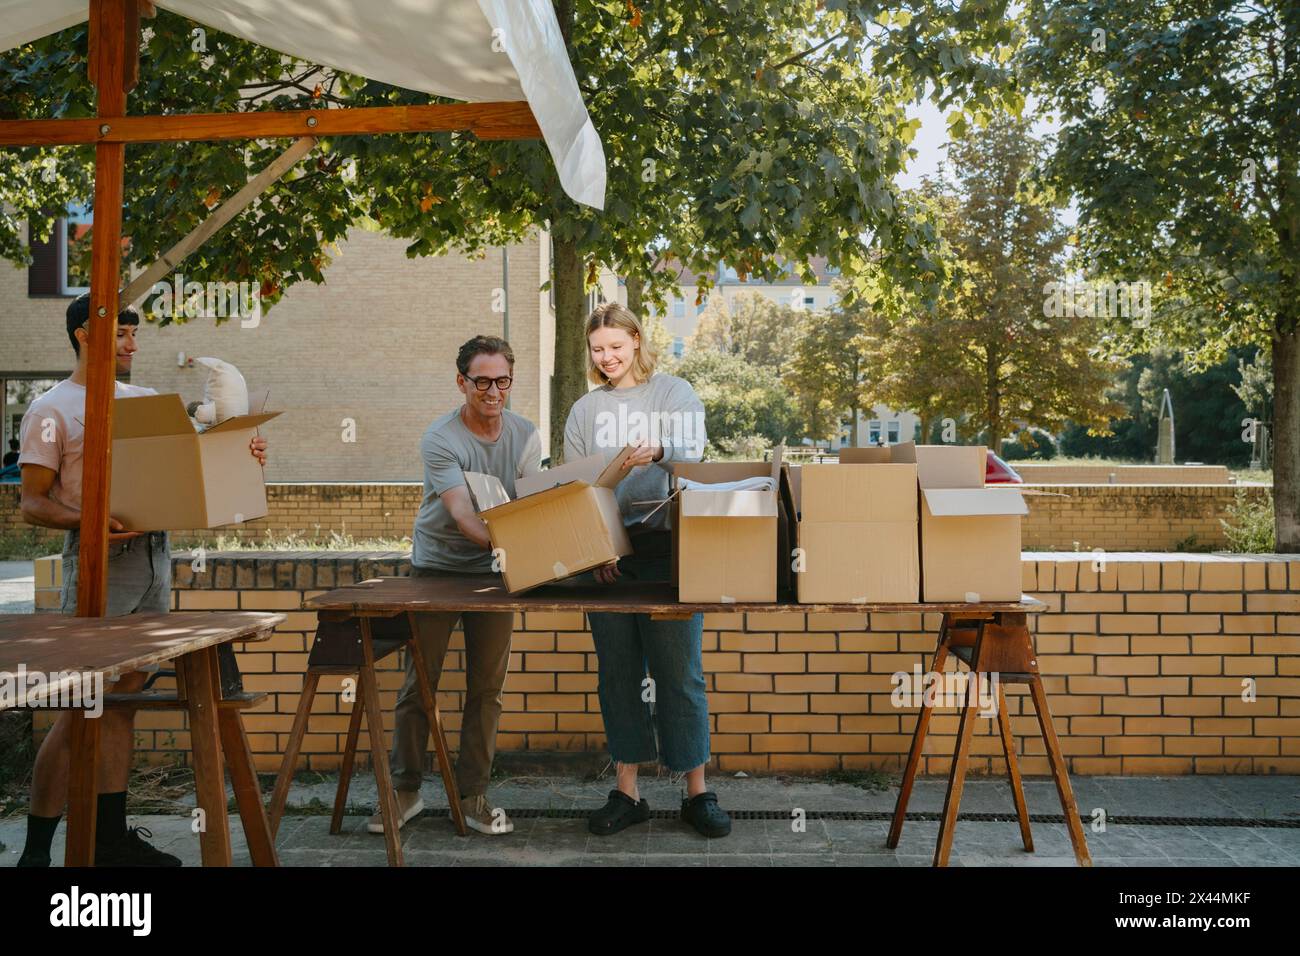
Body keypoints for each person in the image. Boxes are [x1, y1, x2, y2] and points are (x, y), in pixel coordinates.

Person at [16, 292, 269, 867]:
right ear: (85, 334)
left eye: (135, 336)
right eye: (124, 336)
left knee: (122, 703)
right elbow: (32, 502)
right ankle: (34, 853)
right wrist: (90, 521)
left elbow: (195, 468)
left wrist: (244, 450)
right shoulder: (51, 409)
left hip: (156, 557)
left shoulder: (146, 402)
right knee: (81, 705)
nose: (133, 346)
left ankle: (109, 841)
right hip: (99, 563)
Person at [564, 302, 731, 838]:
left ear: (636, 341)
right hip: (608, 557)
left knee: (679, 673)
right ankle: (628, 792)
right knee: (618, 675)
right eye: (597, 349)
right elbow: (575, 488)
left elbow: (695, 455)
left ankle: (697, 793)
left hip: (667, 552)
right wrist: (596, 550)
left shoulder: (672, 392)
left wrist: (659, 448)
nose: (607, 357)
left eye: (616, 345)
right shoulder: (584, 410)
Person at [371, 335, 541, 837]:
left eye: (502, 380)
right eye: (482, 380)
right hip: (440, 570)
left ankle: (471, 796)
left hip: (498, 574)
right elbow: (465, 516)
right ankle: (405, 791)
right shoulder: (440, 437)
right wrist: (514, 539)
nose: (493, 390)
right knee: (419, 685)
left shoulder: (526, 434)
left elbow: (533, 502)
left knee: (487, 689)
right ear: (461, 381)